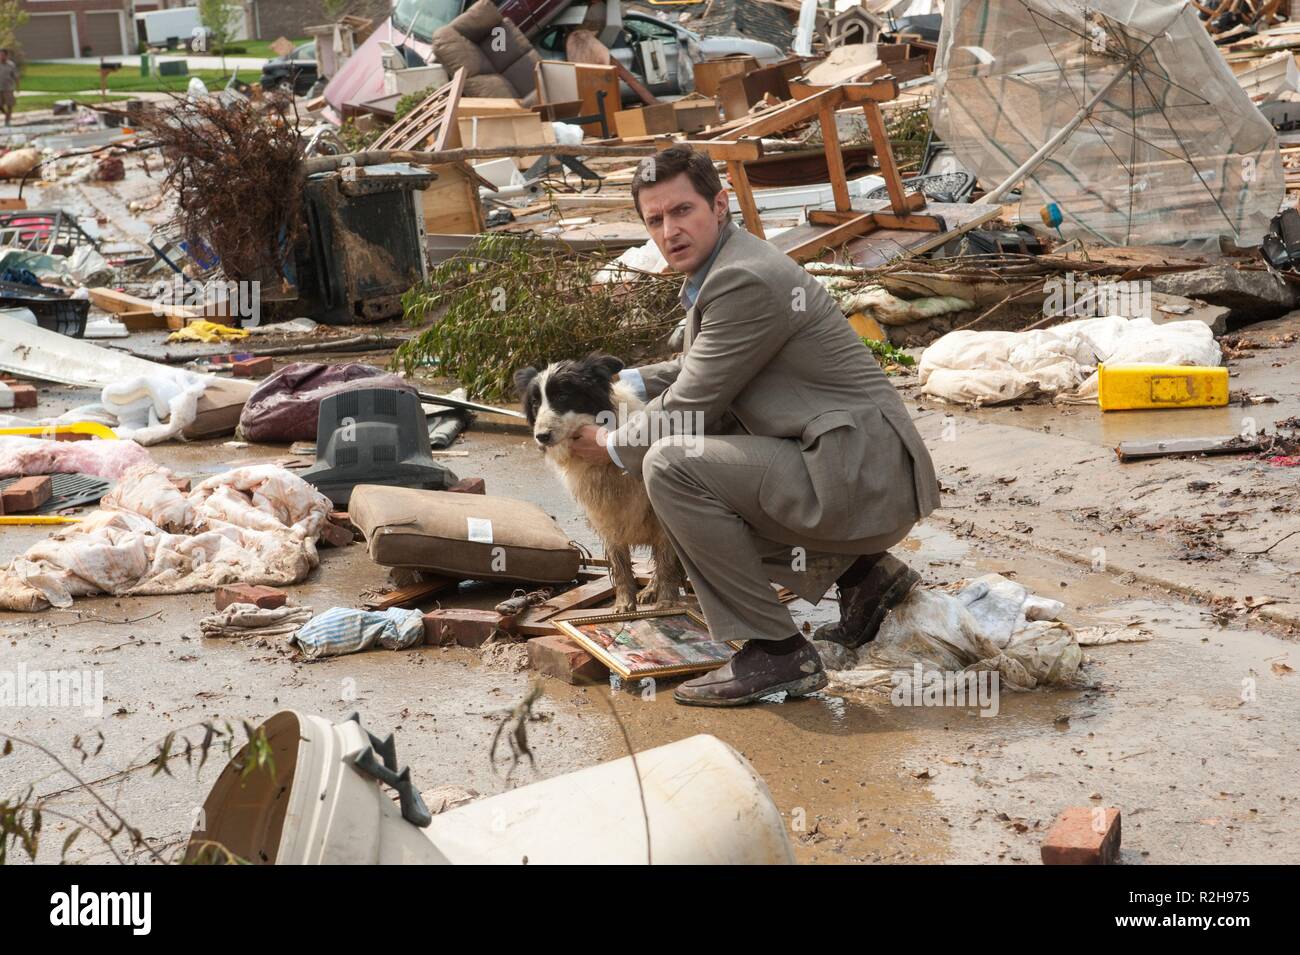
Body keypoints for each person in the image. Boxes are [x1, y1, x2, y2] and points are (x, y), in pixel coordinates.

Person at [568, 144, 940, 707]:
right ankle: (865, 577)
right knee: (705, 454)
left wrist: (612, 445)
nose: (669, 230)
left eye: (682, 211)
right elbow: (706, 362)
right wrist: (621, 381)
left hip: (860, 476)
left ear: (720, 205)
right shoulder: (728, 267)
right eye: (654, 219)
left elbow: (695, 397)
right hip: (854, 465)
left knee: (670, 465)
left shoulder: (743, 279)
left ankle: (776, 651)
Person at [0, 49, 18, 127]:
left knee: (9, 105)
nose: (1, 56)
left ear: (6, 55)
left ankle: (7, 121)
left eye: (3, 55)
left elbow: (15, 76)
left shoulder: (11, 65)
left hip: (8, 88)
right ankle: (5, 113)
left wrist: (18, 86)